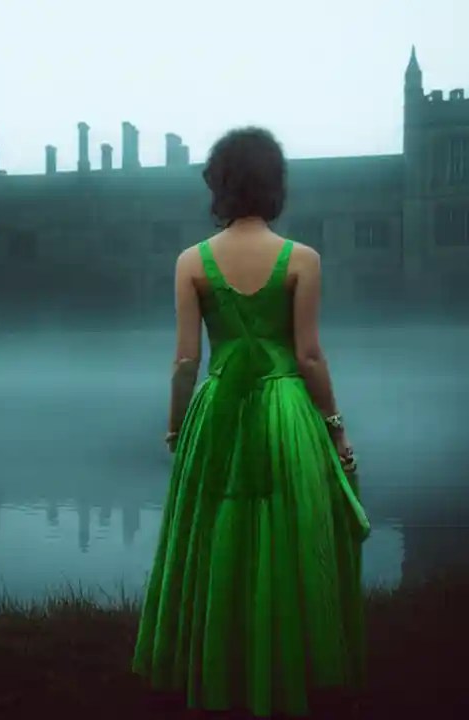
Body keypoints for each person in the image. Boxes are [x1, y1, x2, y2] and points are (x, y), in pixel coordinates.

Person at [131, 127, 371, 718]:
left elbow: (185, 361)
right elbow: (308, 356)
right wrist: (336, 429)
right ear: (274, 185)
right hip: (287, 412)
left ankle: (218, 665)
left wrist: (176, 428)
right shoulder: (303, 260)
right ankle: (291, 666)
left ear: (219, 184)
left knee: (219, 531)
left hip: (217, 413)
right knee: (288, 532)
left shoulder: (192, 261)